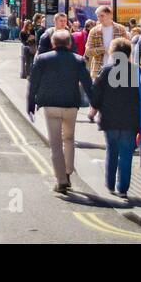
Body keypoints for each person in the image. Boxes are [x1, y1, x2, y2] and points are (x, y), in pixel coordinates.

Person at [27, 28, 95, 194]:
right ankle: (68, 172)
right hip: (71, 105)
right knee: (69, 139)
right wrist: (97, 103)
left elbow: (33, 82)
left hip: (50, 106)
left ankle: (61, 181)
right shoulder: (78, 60)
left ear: (53, 43)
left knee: (55, 145)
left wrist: (30, 104)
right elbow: (88, 85)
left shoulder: (42, 59)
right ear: (70, 43)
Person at [91, 38, 141, 200]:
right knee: (126, 154)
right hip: (130, 121)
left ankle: (110, 184)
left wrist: (96, 108)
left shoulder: (106, 71)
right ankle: (123, 188)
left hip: (109, 119)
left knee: (111, 150)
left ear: (113, 54)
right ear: (128, 53)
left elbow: (95, 96)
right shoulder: (139, 72)